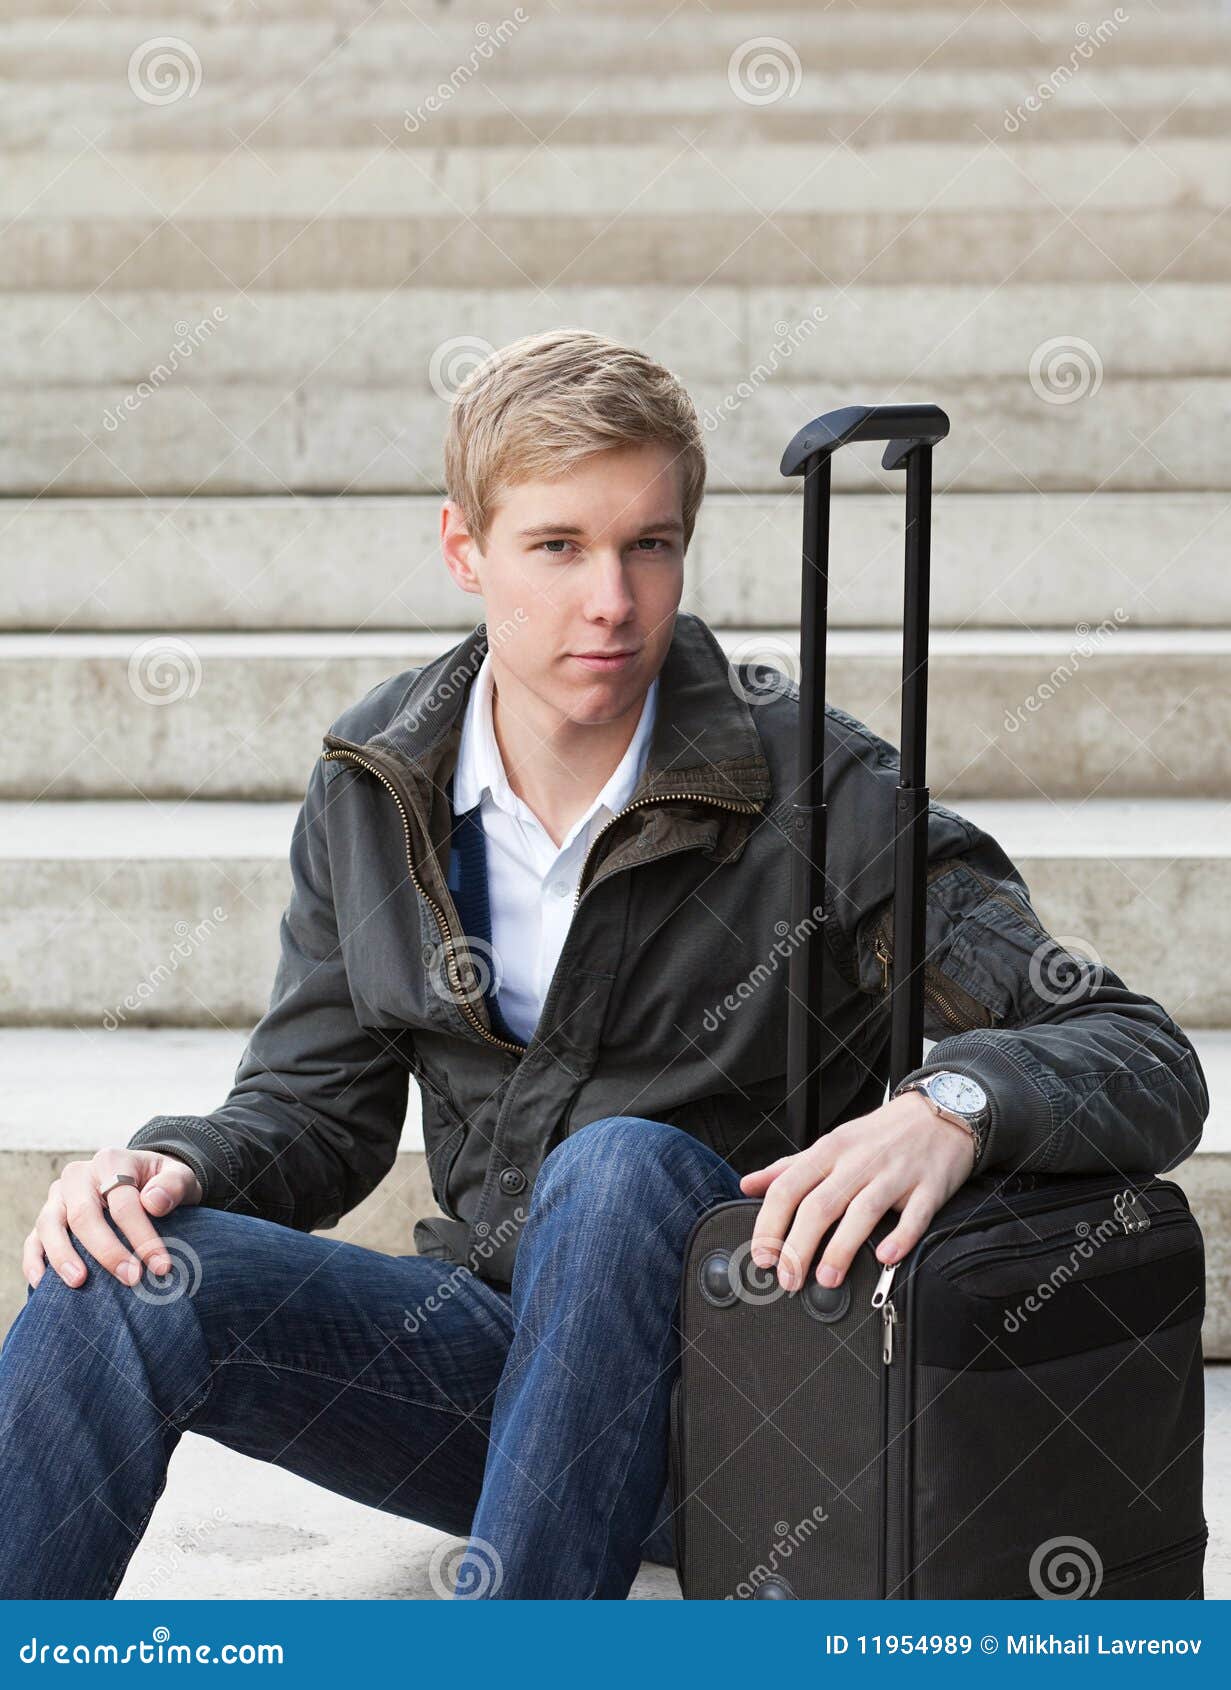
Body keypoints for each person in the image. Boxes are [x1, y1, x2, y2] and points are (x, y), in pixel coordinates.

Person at [0, 330, 1207, 1600]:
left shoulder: (822, 789)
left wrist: (952, 1106)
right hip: (492, 1368)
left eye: (650, 544)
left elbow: (1143, 1053)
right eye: (558, 546)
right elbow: (313, 1110)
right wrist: (173, 1162)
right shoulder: (377, 786)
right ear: (464, 548)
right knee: (117, 1275)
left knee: (620, 1165)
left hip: (758, 1404)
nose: (612, 601)